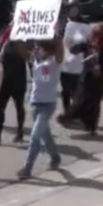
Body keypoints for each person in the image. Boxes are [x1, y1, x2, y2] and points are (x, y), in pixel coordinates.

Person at [18, 38, 64, 179]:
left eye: (40, 47)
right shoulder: (36, 60)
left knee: (35, 135)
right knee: (45, 134)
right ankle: (55, 157)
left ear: (47, 49)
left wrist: (56, 36)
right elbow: (23, 53)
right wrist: (17, 36)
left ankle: (27, 168)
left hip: (47, 105)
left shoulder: (54, 62)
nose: (37, 49)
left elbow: (60, 52)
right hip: (35, 102)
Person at [60, 24, 103, 136]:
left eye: (98, 34)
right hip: (86, 78)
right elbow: (73, 50)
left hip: (99, 81)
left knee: (95, 102)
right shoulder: (88, 45)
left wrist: (101, 70)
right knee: (80, 99)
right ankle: (69, 117)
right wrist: (79, 46)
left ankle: (92, 126)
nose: (95, 37)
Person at [0, 39, 28, 146]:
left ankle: (20, 132)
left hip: (19, 81)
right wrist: (0, 57)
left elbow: (28, 59)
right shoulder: (7, 43)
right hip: (6, 81)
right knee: (0, 108)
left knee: (19, 107)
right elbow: (1, 58)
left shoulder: (23, 44)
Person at [61, 1, 90, 112]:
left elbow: (88, 40)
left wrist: (82, 46)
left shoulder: (84, 23)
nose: (73, 12)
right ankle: (66, 111)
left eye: (75, 9)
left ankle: (76, 111)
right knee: (66, 90)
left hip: (78, 63)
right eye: (70, 9)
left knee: (76, 90)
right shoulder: (63, 23)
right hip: (64, 62)